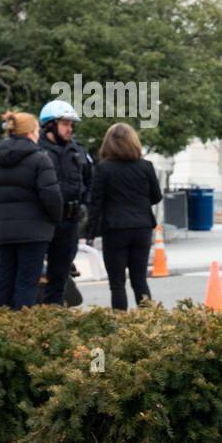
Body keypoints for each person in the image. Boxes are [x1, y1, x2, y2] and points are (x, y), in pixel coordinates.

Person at [0, 111, 62, 310]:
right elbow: (52, 197)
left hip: (3, 232)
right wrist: (53, 220)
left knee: (3, 283)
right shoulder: (40, 159)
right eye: (37, 130)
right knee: (27, 284)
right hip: (34, 233)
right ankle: (20, 334)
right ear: (31, 132)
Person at [86, 122, 162, 311]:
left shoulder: (103, 168)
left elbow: (95, 203)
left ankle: (121, 328)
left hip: (115, 229)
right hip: (142, 227)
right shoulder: (146, 166)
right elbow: (156, 196)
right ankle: (150, 325)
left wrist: (89, 233)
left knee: (117, 284)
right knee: (140, 281)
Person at [38, 99, 92, 305]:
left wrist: (85, 208)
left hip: (69, 222)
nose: (70, 129)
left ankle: (54, 316)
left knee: (60, 274)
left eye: (71, 124)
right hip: (43, 222)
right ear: (50, 125)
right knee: (34, 273)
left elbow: (90, 182)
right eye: (65, 124)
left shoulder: (78, 152)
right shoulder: (37, 150)